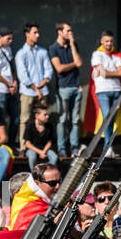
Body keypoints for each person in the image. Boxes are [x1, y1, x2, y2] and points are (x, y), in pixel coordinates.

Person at [48, 22, 83, 157]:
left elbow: (79, 62)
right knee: (62, 119)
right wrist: (74, 64)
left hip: (76, 86)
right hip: (63, 88)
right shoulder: (53, 48)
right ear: (59, 32)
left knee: (74, 120)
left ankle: (74, 147)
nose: (70, 33)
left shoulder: (72, 45)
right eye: (68, 31)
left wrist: (73, 44)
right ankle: (61, 148)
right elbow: (59, 68)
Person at [90, 30, 121, 146]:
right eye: (106, 41)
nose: (109, 43)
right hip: (103, 91)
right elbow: (103, 72)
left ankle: (109, 146)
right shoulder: (97, 54)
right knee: (107, 118)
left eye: (111, 41)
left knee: (112, 119)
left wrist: (107, 73)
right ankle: (107, 146)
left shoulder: (116, 56)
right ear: (102, 41)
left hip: (116, 91)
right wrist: (114, 72)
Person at [15, 22, 50, 134]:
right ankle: (23, 148)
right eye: (35, 33)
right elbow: (22, 75)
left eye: (38, 32)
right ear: (27, 34)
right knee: (25, 120)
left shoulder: (43, 52)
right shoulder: (21, 53)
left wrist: (44, 81)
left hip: (43, 92)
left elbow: (48, 70)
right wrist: (36, 89)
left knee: (42, 120)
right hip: (27, 92)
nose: (38, 35)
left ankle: (39, 147)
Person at [22, 105, 59, 172]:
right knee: (32, 157)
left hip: (45, 149)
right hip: (32, 149)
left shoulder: (49, 126)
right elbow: (27, 144)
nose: (47, 116)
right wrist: (40, 152)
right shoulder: (30, 125)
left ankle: (46, 174)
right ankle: (35, 175)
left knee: (54, 157)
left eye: (47, 114)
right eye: (45, 115)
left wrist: (44, 151)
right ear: (37, 116)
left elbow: (49, 142)